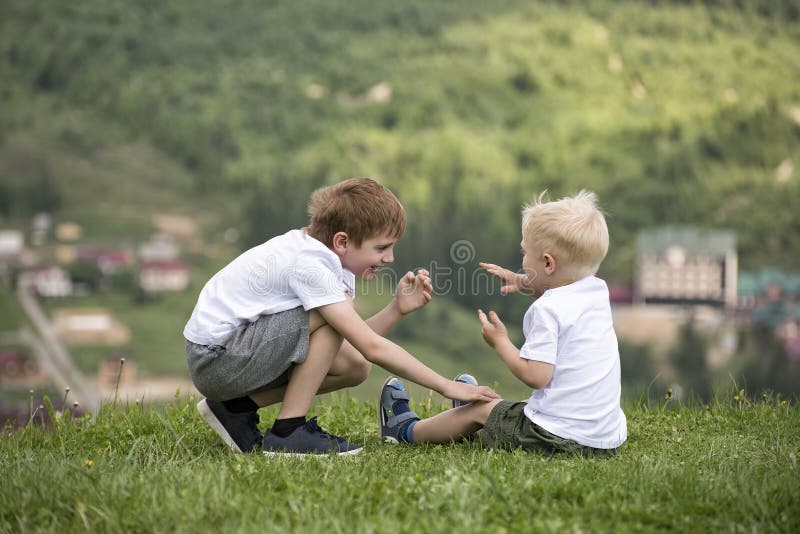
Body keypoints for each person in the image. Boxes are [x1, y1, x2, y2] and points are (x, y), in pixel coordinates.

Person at [184, 178, 498, 456]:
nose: (389, 258)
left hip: (235, 355)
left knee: (354, 367)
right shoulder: (311, 265)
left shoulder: (326, 258)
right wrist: (446, 386)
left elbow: (353, 346)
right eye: (382, 248)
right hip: (218, 359)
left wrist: (396, 309)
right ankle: (288, 432)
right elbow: (369, 344)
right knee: (333, 320)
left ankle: (235, 409)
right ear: (343, 241)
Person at [378, 190, 627, 456]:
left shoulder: (547, 310)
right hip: (604, 437)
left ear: (547, 262)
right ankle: (464, 416)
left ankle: (404, 431)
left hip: (558, 440)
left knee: (481, 411)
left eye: (525, 253)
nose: (522, 260)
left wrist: (501, 343)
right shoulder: (596, 292)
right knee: (519, 406)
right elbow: (560, 286)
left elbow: (537, 377)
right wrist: (521, 280)